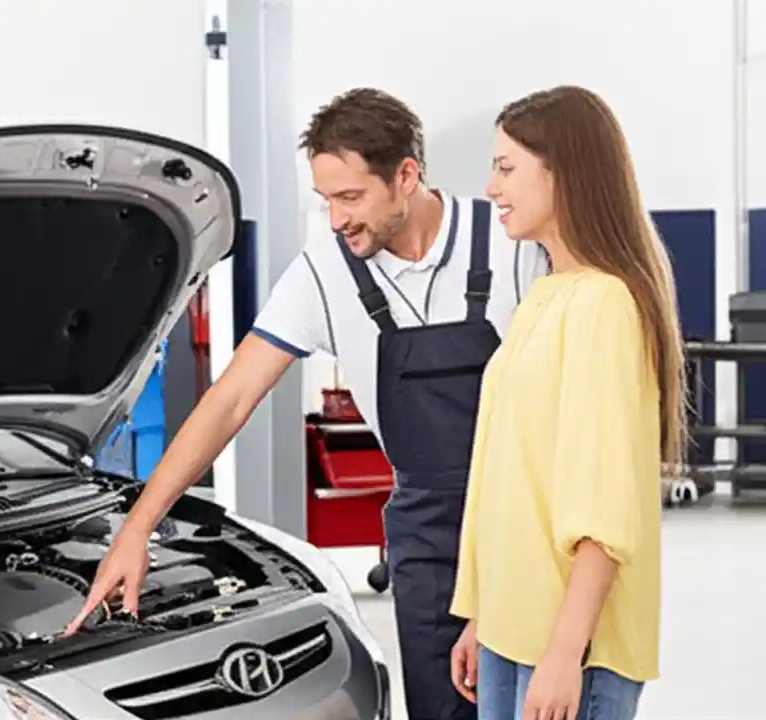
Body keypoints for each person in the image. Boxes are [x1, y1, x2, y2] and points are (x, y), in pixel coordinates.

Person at [64, 87, 549, 720]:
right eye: (325, 201)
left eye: (351, 198)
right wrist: (138, 527)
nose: (337, 219)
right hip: (428, 541)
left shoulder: (512, 245)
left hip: (524, 521)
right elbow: (231, 397)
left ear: (406, 176)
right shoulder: (326, 271)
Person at [447, 85, 684, 720]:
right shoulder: (547, 295)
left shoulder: (604, 305)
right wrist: (481, 616)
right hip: (512, 631)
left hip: (568, 646)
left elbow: (604, 508)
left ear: (566, 171)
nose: (492, 188)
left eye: (506, 168)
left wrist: (561, 654)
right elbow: (509, 478)